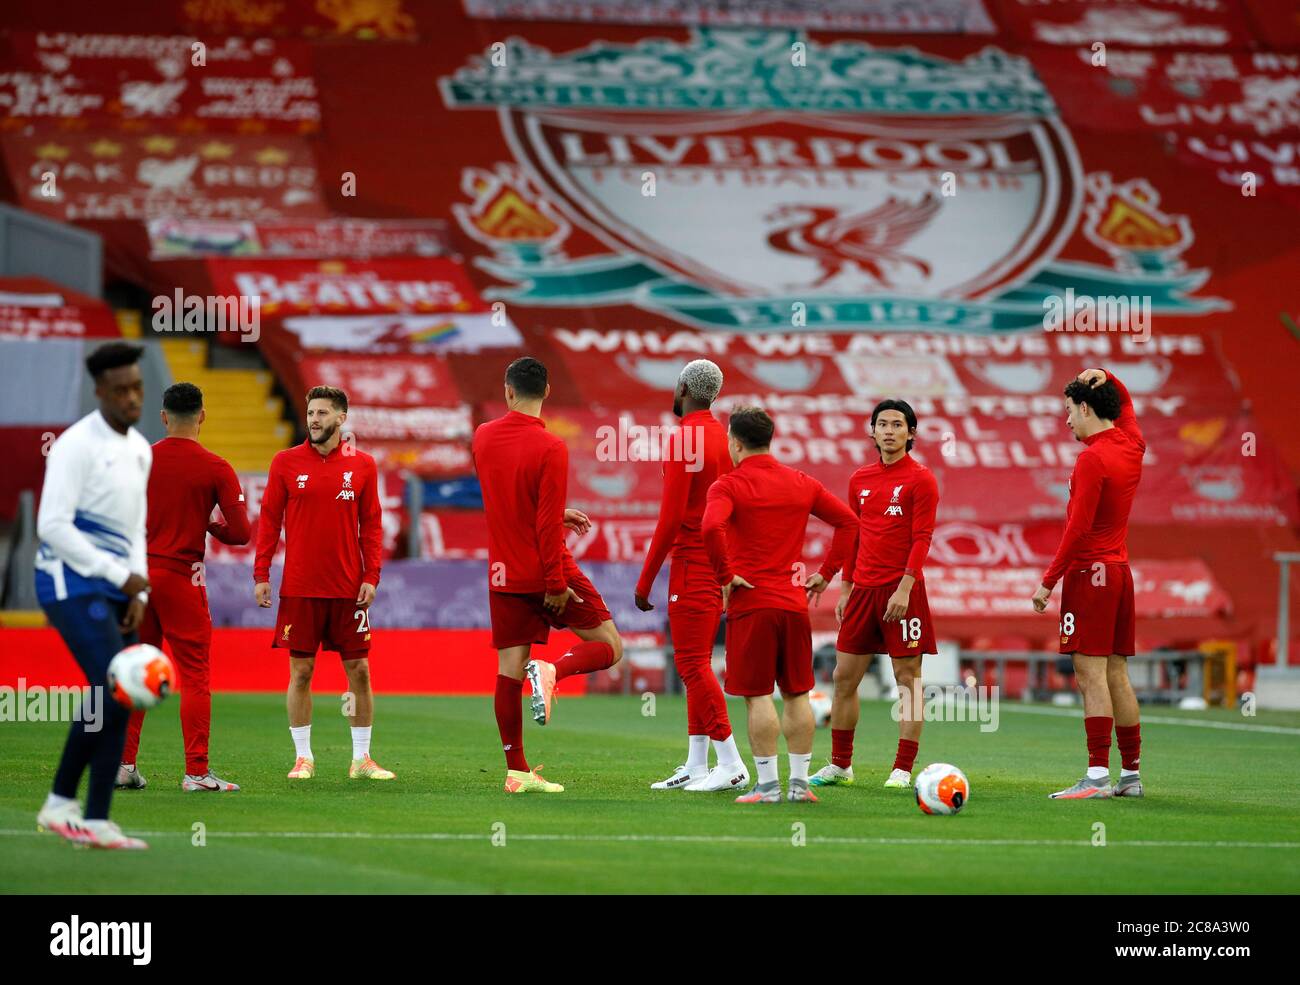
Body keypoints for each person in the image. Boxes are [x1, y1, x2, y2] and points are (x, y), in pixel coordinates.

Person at [473, 356, 623, 794]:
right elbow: (539, 526)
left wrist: (555, 513)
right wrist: (556, 585)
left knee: (508, 672)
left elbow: (507, 503)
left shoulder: (482, 437)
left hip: (503, 573)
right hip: (546, 568)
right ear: (548, 392)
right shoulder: (552, 447)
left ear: (507, 390)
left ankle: (516, 771)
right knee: (610, 647)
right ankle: (553, 669)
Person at [701, 406, 857, 804]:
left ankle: (768, 786)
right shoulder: (800, 482)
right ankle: (800, 786)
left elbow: (709, 527)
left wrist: (724, 575)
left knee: (757, 696)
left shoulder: (728, 485)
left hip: (752, 602)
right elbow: (850, 522)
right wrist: (827, 571)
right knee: (797, 694)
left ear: (735, 443)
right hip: (793, 604)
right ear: (770, 439)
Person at [34, 342, 152, 849]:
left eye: (137, 388)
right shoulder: (74, 445)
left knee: (119, 692)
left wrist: (138, 585)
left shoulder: (141, 449)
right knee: (112, 684)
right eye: (121, 390)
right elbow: (51, 524)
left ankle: (97, 820)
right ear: (100, 391)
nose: (132, 398)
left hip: (115, 584)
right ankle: (61, 804)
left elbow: (137, 528)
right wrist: (112, 572)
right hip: (65, 579)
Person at [254, 385, 393, 781]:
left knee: (360, 671)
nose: (314, 419)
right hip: (299, 588)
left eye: (322, 413)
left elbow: (372, 525)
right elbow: (268, 521)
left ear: (341, 418)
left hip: (349, 589)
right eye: (310, 412)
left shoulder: (364, 465)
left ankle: (361, 759)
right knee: (301, 672)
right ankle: (303, 758)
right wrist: (261, 573)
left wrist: (372, 575)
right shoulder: (285, 462)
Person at [118, 382, 250, 792]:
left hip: (137, 578)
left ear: (162, 417)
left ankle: (122, 765)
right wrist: (208, 523)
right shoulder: (216, 467)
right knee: (195, 675)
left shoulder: (138, 460)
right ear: (203, 416)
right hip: (181, 576)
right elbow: (242, 532)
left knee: (135, 667)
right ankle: (196, 772)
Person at [811, 399, 940, 791]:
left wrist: (905, 586)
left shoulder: (921, 479)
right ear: (872, 431)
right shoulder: (859, 479)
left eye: (897, 425)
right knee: (844, 677)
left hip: (903, 591)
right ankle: (840, 766)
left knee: (908, 680)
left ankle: (902, 768)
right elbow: (851, 536)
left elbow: (922, 539)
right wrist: (845, 586)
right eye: (881, 424)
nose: (888, 430)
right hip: (863, 591)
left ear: (911, 433)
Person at [1032, 369, 1146, 800]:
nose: (1066, 422)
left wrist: (1047, 582)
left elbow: (1076, 531)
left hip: (1089, 575)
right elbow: (1127, 407)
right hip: (1119, 573)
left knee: (1089, 674)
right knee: (1117, 673)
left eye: (1068, 412)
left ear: (1084, 408)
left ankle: (1097, 776)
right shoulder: (1132, 444)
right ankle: (1130, 776)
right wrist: (1109, 375)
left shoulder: (1092, 458)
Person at [634, 359, 746, 792]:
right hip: (719, 562)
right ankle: (696, 763)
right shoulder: (726, 438)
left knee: (692, 664)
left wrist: (645, 581)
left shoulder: (684, 439)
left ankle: (731, 761)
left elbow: (670, 518)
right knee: (697, 662)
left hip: (690, 561)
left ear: (682, 387)